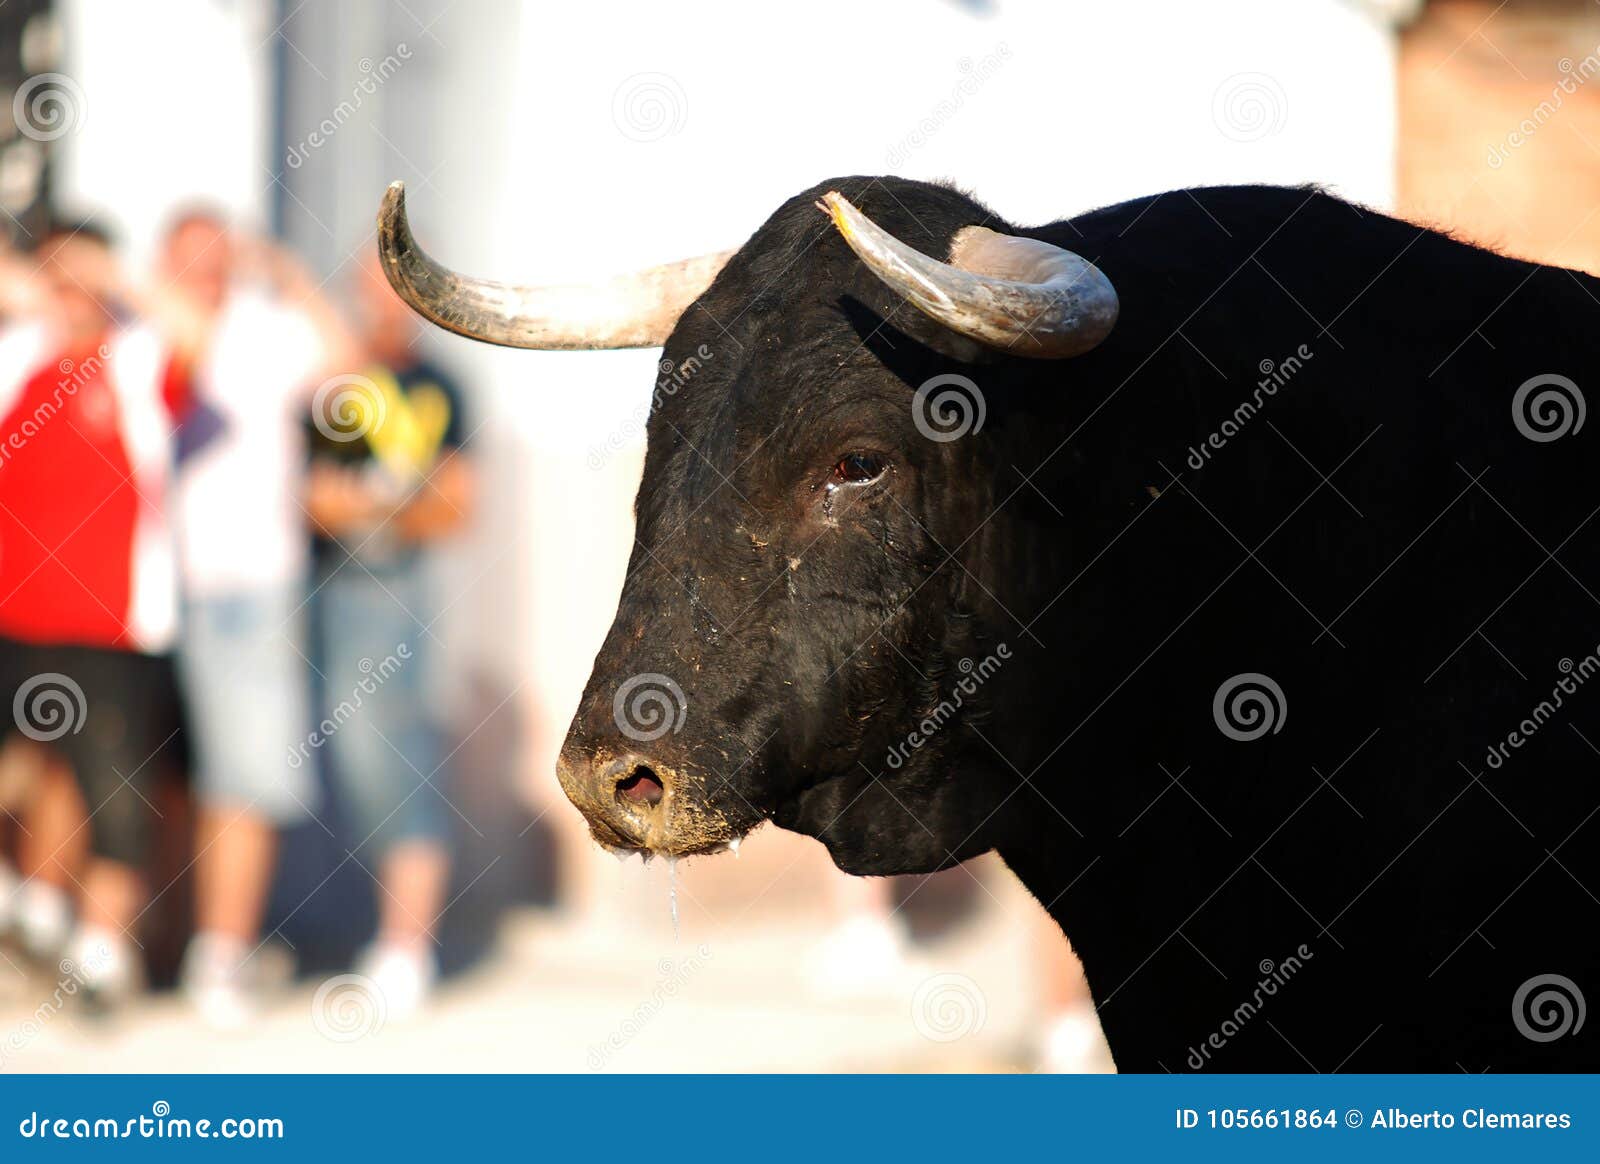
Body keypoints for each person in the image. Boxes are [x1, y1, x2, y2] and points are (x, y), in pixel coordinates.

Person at [157, 210, 357, 1027]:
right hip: (145, 590)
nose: (207, 271)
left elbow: (344, 368)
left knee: (243, 778)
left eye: (218, 257)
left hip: (249, 588)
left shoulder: (265, 329)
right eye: (189, 258)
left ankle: (220, 953)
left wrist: (289, 274)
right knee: (143, 778)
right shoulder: (146, 329)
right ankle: (143, 948)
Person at [0, 222, 189, 1002]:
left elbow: (188, 328)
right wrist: (39, 282)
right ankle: (36, 907)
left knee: (111, 785)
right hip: (16, 616)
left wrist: (109, 274)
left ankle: (103, 954)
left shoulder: (137, 360)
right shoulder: (19, 356)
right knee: (42, 770)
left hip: (112, 621)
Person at [303, 253, 473, 1018]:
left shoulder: (439, 387)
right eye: (368, 297)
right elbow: (315, 502)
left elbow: (457, 507)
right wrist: (398, 499)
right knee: (327, 765)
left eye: (394, 296)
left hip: (394, 594)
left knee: (394, 762)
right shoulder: (333, 391)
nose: (383, 312)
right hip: (322, 590)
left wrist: (371, 505)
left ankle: (406, 949)